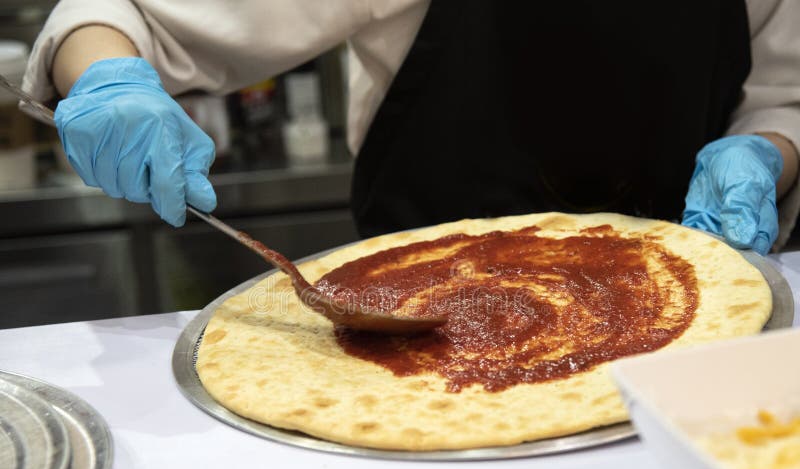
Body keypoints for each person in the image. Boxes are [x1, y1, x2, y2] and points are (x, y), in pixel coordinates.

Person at [22, 0, 800, 254]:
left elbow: (784, 89)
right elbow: (123, 14)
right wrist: (105, 76)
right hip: (426, 323)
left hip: (690, 313)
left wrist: (765, 153)